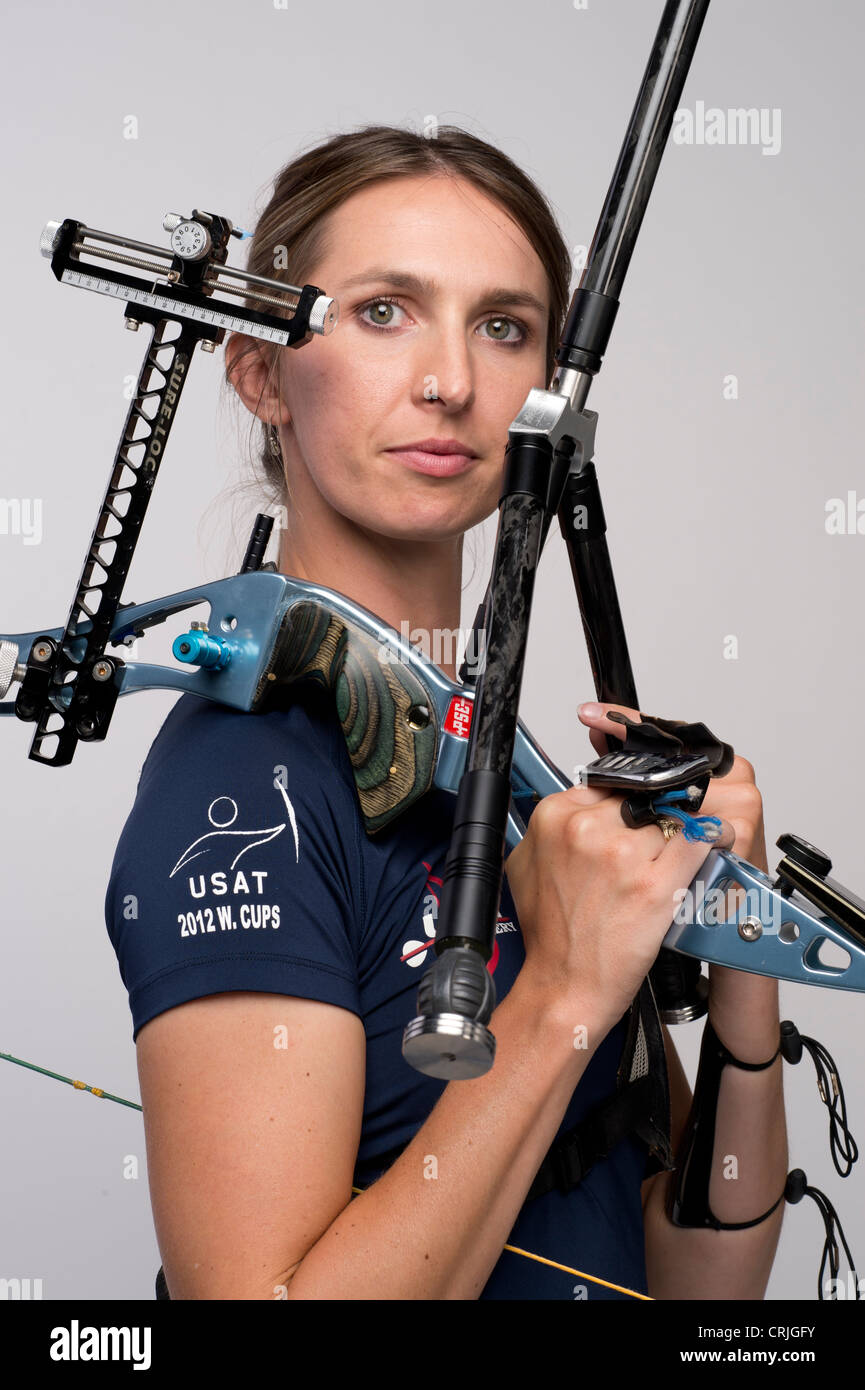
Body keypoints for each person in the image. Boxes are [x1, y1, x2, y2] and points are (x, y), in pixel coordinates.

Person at [104, 125, 787, 1300]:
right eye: (384, 311)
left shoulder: (502, 770)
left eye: (503, 326)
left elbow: (702, 1286)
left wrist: (740, 945)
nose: (452, 382)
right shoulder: (246, 786)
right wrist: (561, 995)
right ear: (260, 372)